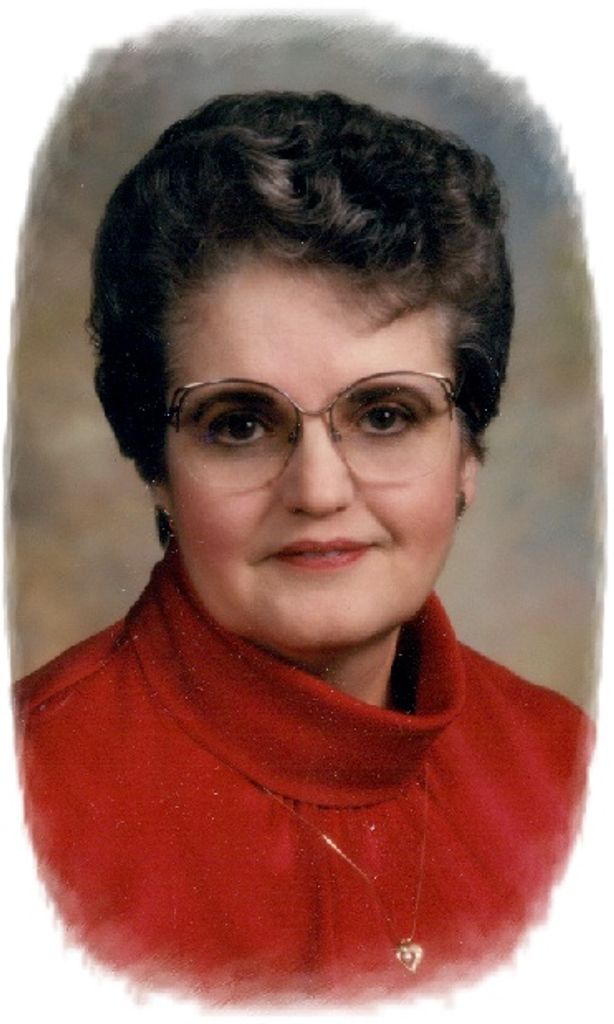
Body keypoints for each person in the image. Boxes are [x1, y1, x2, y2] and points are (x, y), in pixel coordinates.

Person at [14, 90, 592, 1005]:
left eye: (386, 414)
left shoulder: (568, 767)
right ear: (156, 466)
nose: (319, 491)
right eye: (239, 423)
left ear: (468, 454)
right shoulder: (28, 794)